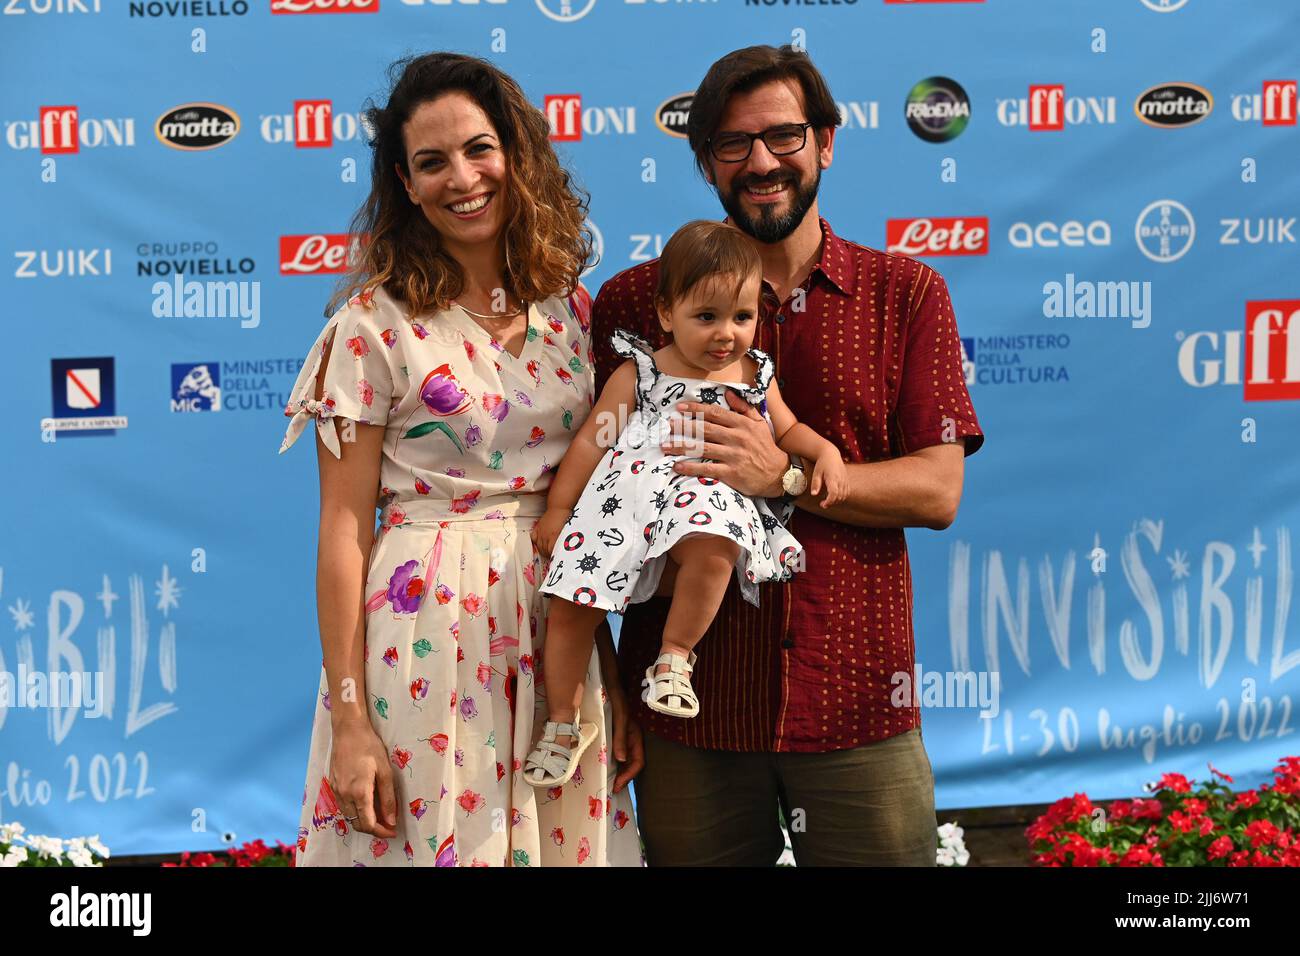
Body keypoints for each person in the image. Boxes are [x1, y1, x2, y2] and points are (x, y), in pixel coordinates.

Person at [590, 44, 985, 866]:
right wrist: (599, 685)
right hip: (686, 714)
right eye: (733, 144)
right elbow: (591, 502)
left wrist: (789, 478)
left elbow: (938, 490)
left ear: (828, 142)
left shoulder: (906, 294)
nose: (762, 162)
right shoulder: (634, 301)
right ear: (706, 163)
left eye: (785, 136)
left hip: (854, 703)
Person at [278, 52, 641, 867]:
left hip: (558, 636)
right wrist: (348, 719)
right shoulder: (370, 326)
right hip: (423, 638)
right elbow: (342, 528)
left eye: (479, 150)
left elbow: (577, 517)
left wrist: (605, 671)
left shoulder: (570, 308)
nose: (462, 177)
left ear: (516, 155)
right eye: (431, 162)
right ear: (405, 185)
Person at [518, 220, 848, 787]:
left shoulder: (752, 375)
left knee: (715, 548)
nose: (726, 334)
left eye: (742, 318)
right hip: (624, 503)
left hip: (705, 497)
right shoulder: (639, 374)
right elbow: (589, 444)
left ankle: (674, 657)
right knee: (572, 599)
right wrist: (558, 509)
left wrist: (827, 454)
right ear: (667, 314)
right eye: (706, 317)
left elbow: (789, 429)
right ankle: (564, 722)